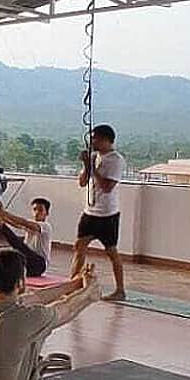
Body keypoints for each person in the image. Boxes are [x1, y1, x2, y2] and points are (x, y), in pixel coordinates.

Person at [0, 249, 116, 380]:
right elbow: (66, 309)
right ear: (20, 283)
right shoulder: (26, 318)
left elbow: (38, 297)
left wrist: (76, 284)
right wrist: (90, 292)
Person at [72, 124, 127, 300]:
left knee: (111, 252)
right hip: (90, 212)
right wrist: (87, 165)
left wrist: (92, 167)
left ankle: (120, 290)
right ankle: (73, 284)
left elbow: (107, 186)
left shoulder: (116, 160)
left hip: (107, 215)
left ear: (105, 140)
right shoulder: (94, 157)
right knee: (79, 247)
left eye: (95, 138)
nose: (92, 141)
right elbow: (82, 182)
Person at [0, 197, 53, 277]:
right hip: (27, 262)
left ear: (46, 213)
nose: (37, 212)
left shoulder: (46, 226)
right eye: (34, 209)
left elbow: (24, 223)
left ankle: (0, 225)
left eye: (40, 210)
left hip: (39, 265)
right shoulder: (30, 225)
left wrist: (3, 213)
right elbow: (16, 224)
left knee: (19, 245)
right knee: (12, 253)